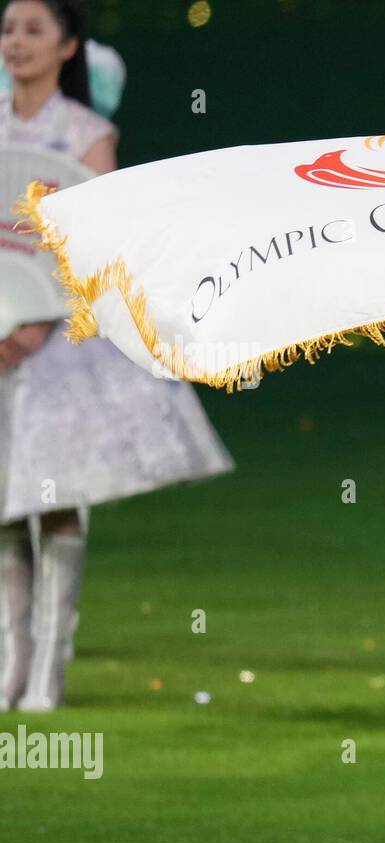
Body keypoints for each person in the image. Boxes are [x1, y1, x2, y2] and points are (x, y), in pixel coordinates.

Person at [0, 0, 233, 710]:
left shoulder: (87, 134)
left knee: (56, 497)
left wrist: (37, 319)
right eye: (7, 29)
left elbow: (95, 251)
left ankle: (50, 674)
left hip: (57, 344)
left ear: (69, 46)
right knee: (5, 504)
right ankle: (11, 665)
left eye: (34, 30)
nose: (16, 43)